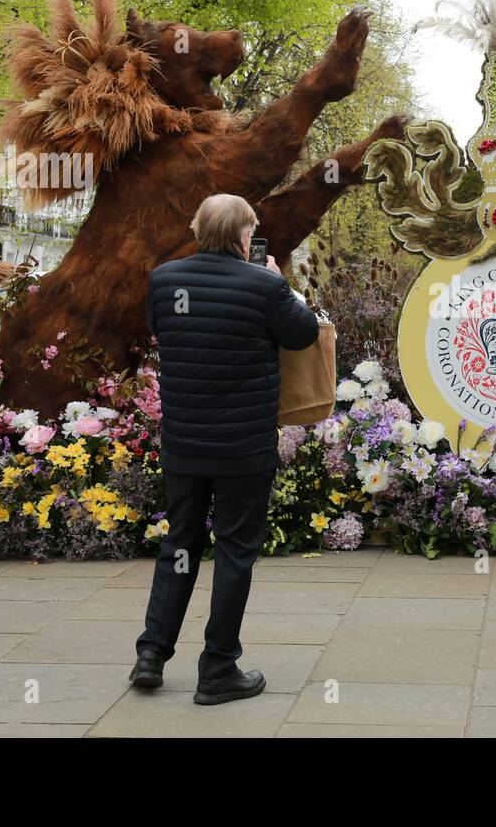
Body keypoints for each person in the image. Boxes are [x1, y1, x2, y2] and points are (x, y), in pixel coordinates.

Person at [130, 194, 319, 703]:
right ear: (243, 237)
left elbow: (159, 328)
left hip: (185, 443)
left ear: (198, 230)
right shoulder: (266, 285)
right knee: (234, 551)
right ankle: (217, 669)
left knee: (180, 546)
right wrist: (282, 283)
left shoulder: (165, 280)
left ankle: (151, 653)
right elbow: (302, 336)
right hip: (243, 448)